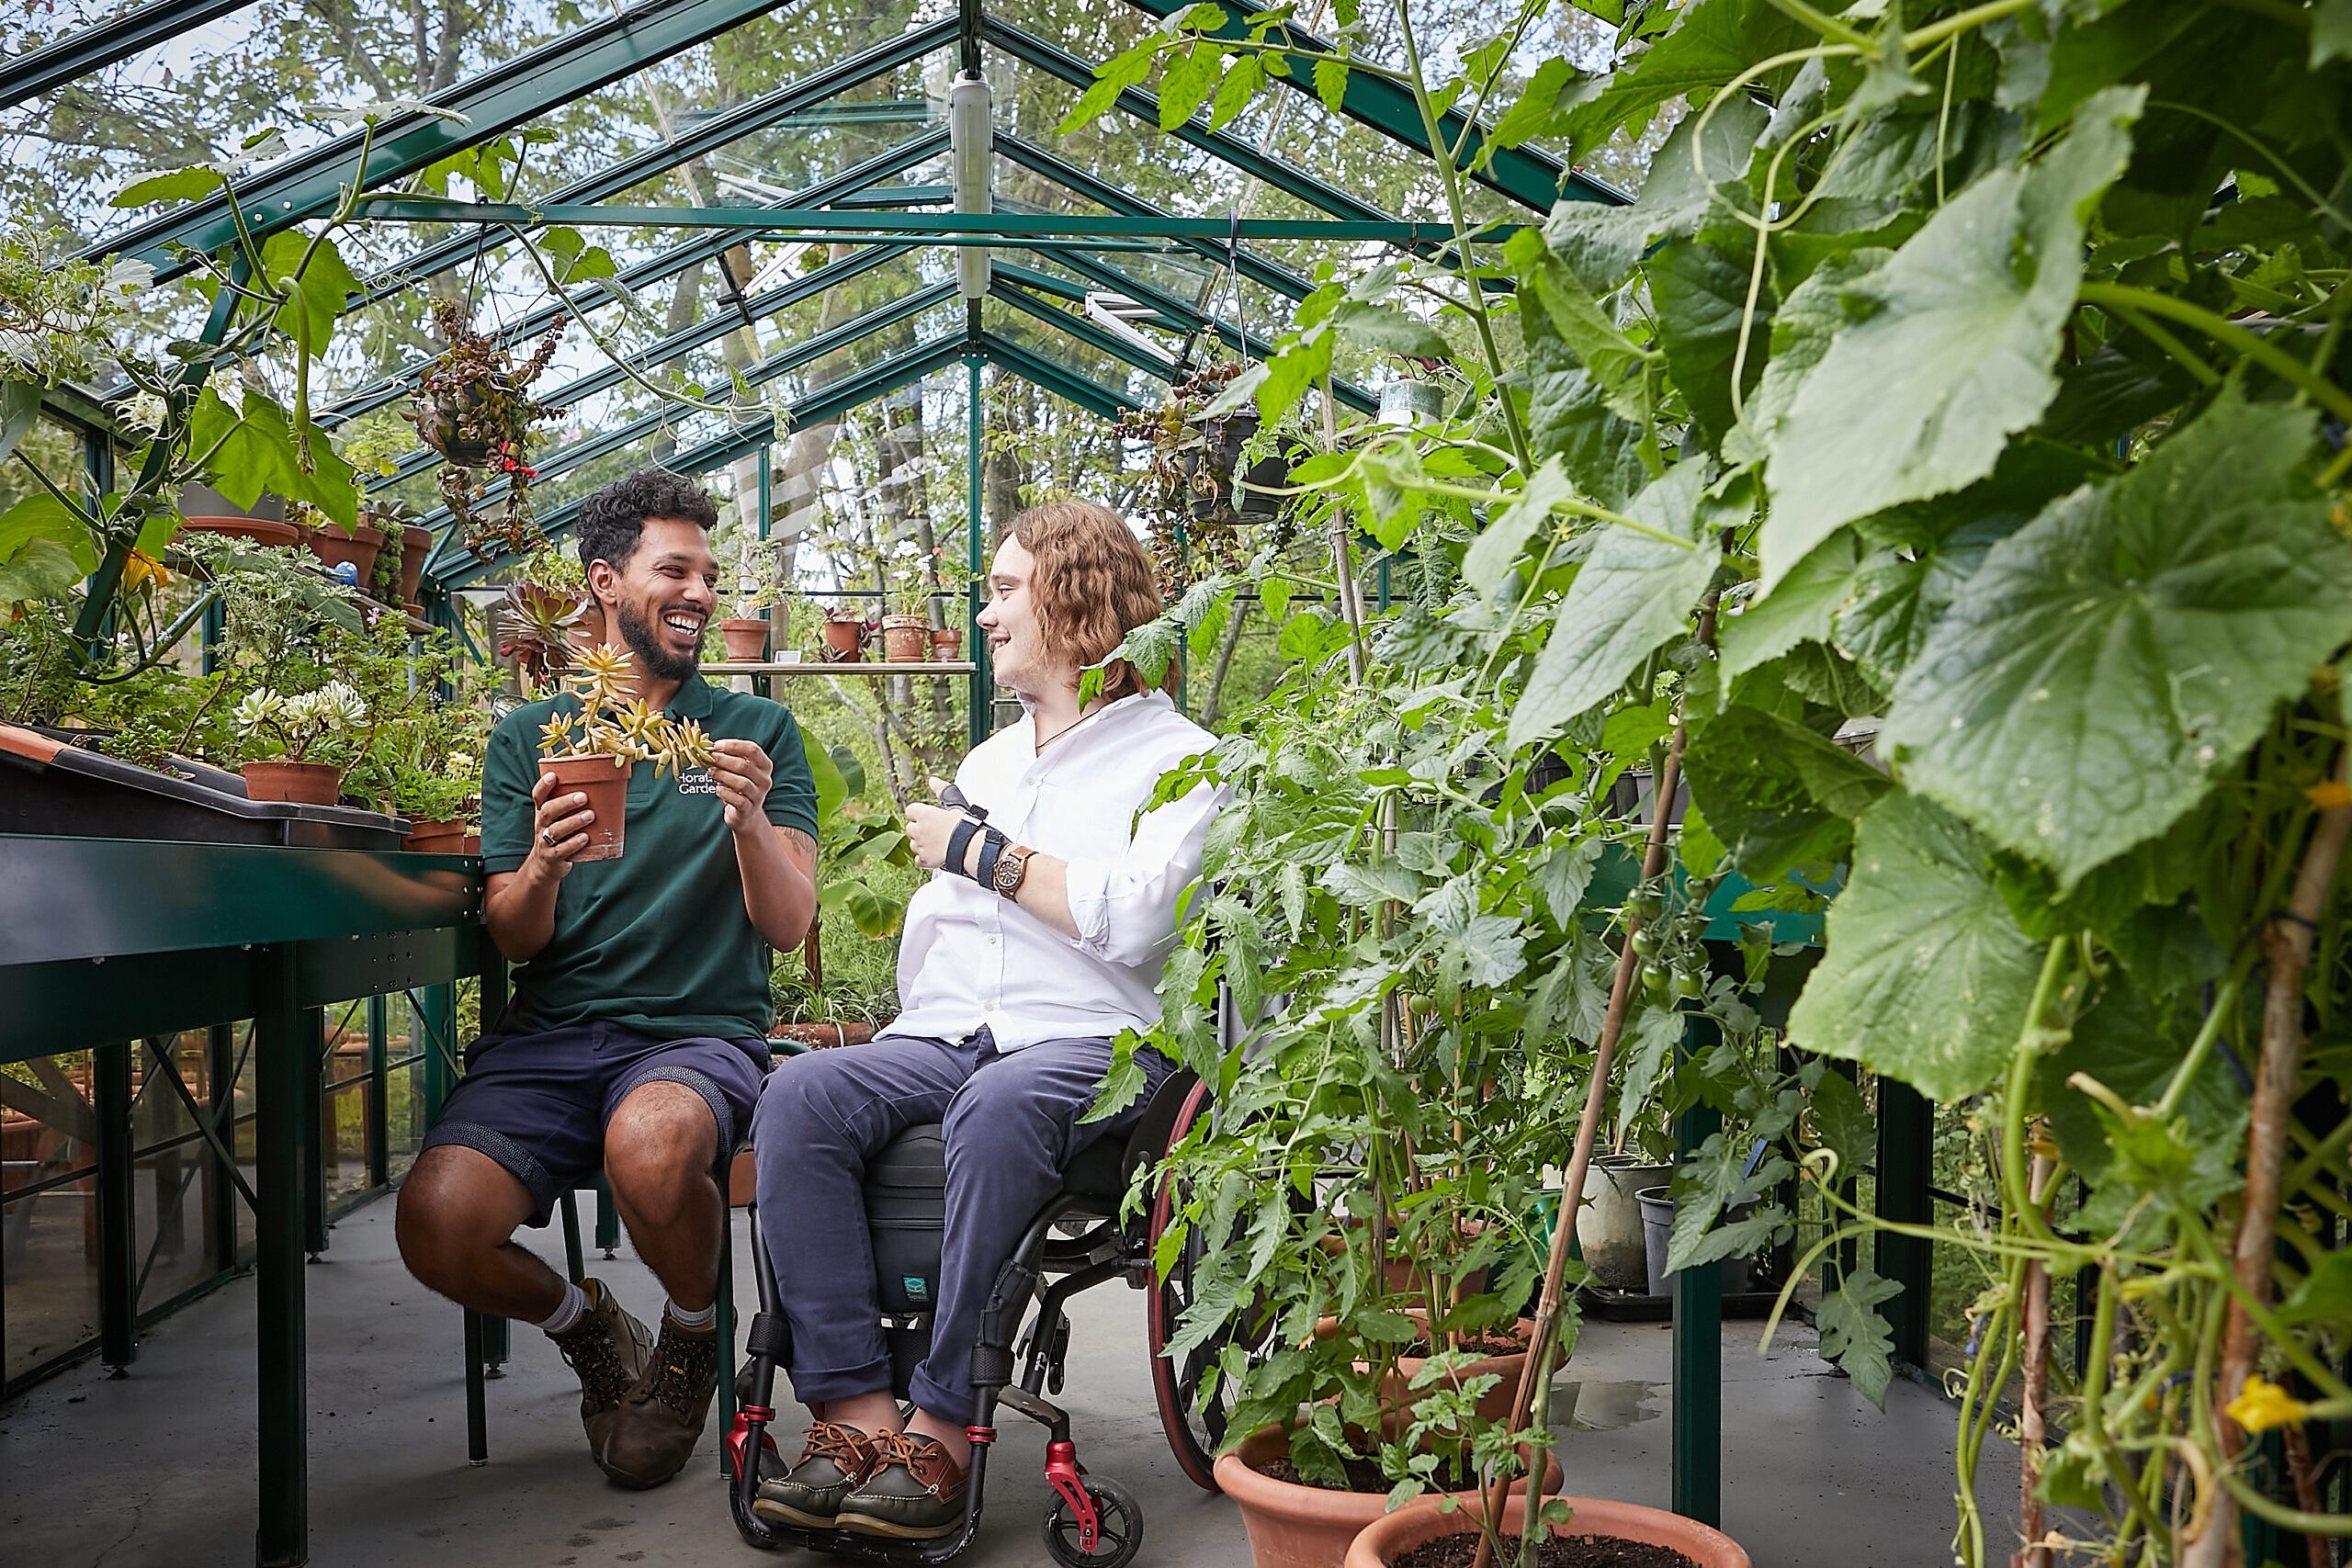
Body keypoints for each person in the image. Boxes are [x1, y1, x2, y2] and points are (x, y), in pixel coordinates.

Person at [749, 501, 1220, 1540]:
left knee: (1002, 1107)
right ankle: (853, 1415)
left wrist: (980, 856)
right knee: (799, 1093)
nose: (984, 616)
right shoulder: (991, 764)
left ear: (1076, 596)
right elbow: (948, 936)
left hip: (1098, 1045)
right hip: (954, 1032)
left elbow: (1139, 917)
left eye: (1004, 591)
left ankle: (944, 1429)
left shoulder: (1183, 758)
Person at [395, 469, 818, 1490]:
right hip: (552, 1039)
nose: (703, 594)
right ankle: (587, 1330)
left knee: (652, 1142)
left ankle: (687, 1343)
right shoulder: (529, 740)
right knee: (437, 1223)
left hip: (695, 1037)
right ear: (607, 581)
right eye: (674, 569)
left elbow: (791, 920)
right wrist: (539, 860)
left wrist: (751, 822)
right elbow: (512, 937)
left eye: (710, 576)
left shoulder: (754, 736)